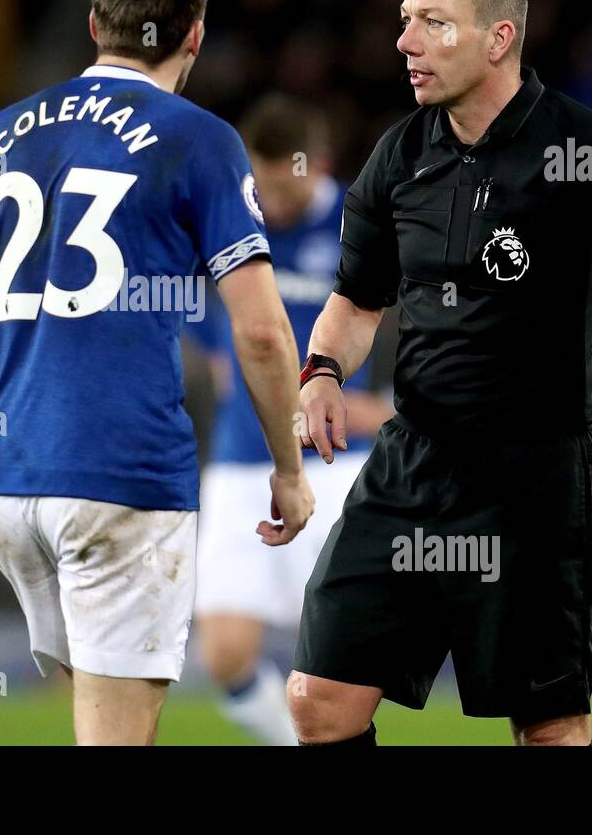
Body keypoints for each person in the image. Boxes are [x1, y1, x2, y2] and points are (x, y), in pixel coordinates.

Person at [0, 0, 313, 745]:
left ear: (96, 23)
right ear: (194, 35)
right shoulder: (198, 139)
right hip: (120, 476)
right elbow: (264, 332)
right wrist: (287, 465)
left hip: (13, 480)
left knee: (93, 713)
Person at [290, 0, 592, 746]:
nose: (406, 42)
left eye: (434, 23)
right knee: (319, 699)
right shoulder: (399, 155)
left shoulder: (591, 154)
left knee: (548, 731)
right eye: (405, 21)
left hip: (535, 485)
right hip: (412, 470)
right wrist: (324, 371)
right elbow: (356, 297)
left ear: (499, 37)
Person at [190, 94, 392, 745]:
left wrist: (392, 409)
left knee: (338, 659)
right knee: (223, 653)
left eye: (285, 185)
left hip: (335, 463)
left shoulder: (362, 223)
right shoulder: (231, 218)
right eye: (263, 185)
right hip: (243, 457)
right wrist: (227, 361)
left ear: (320, 163)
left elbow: (433, 324)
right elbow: (203, 322)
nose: (272, 203)